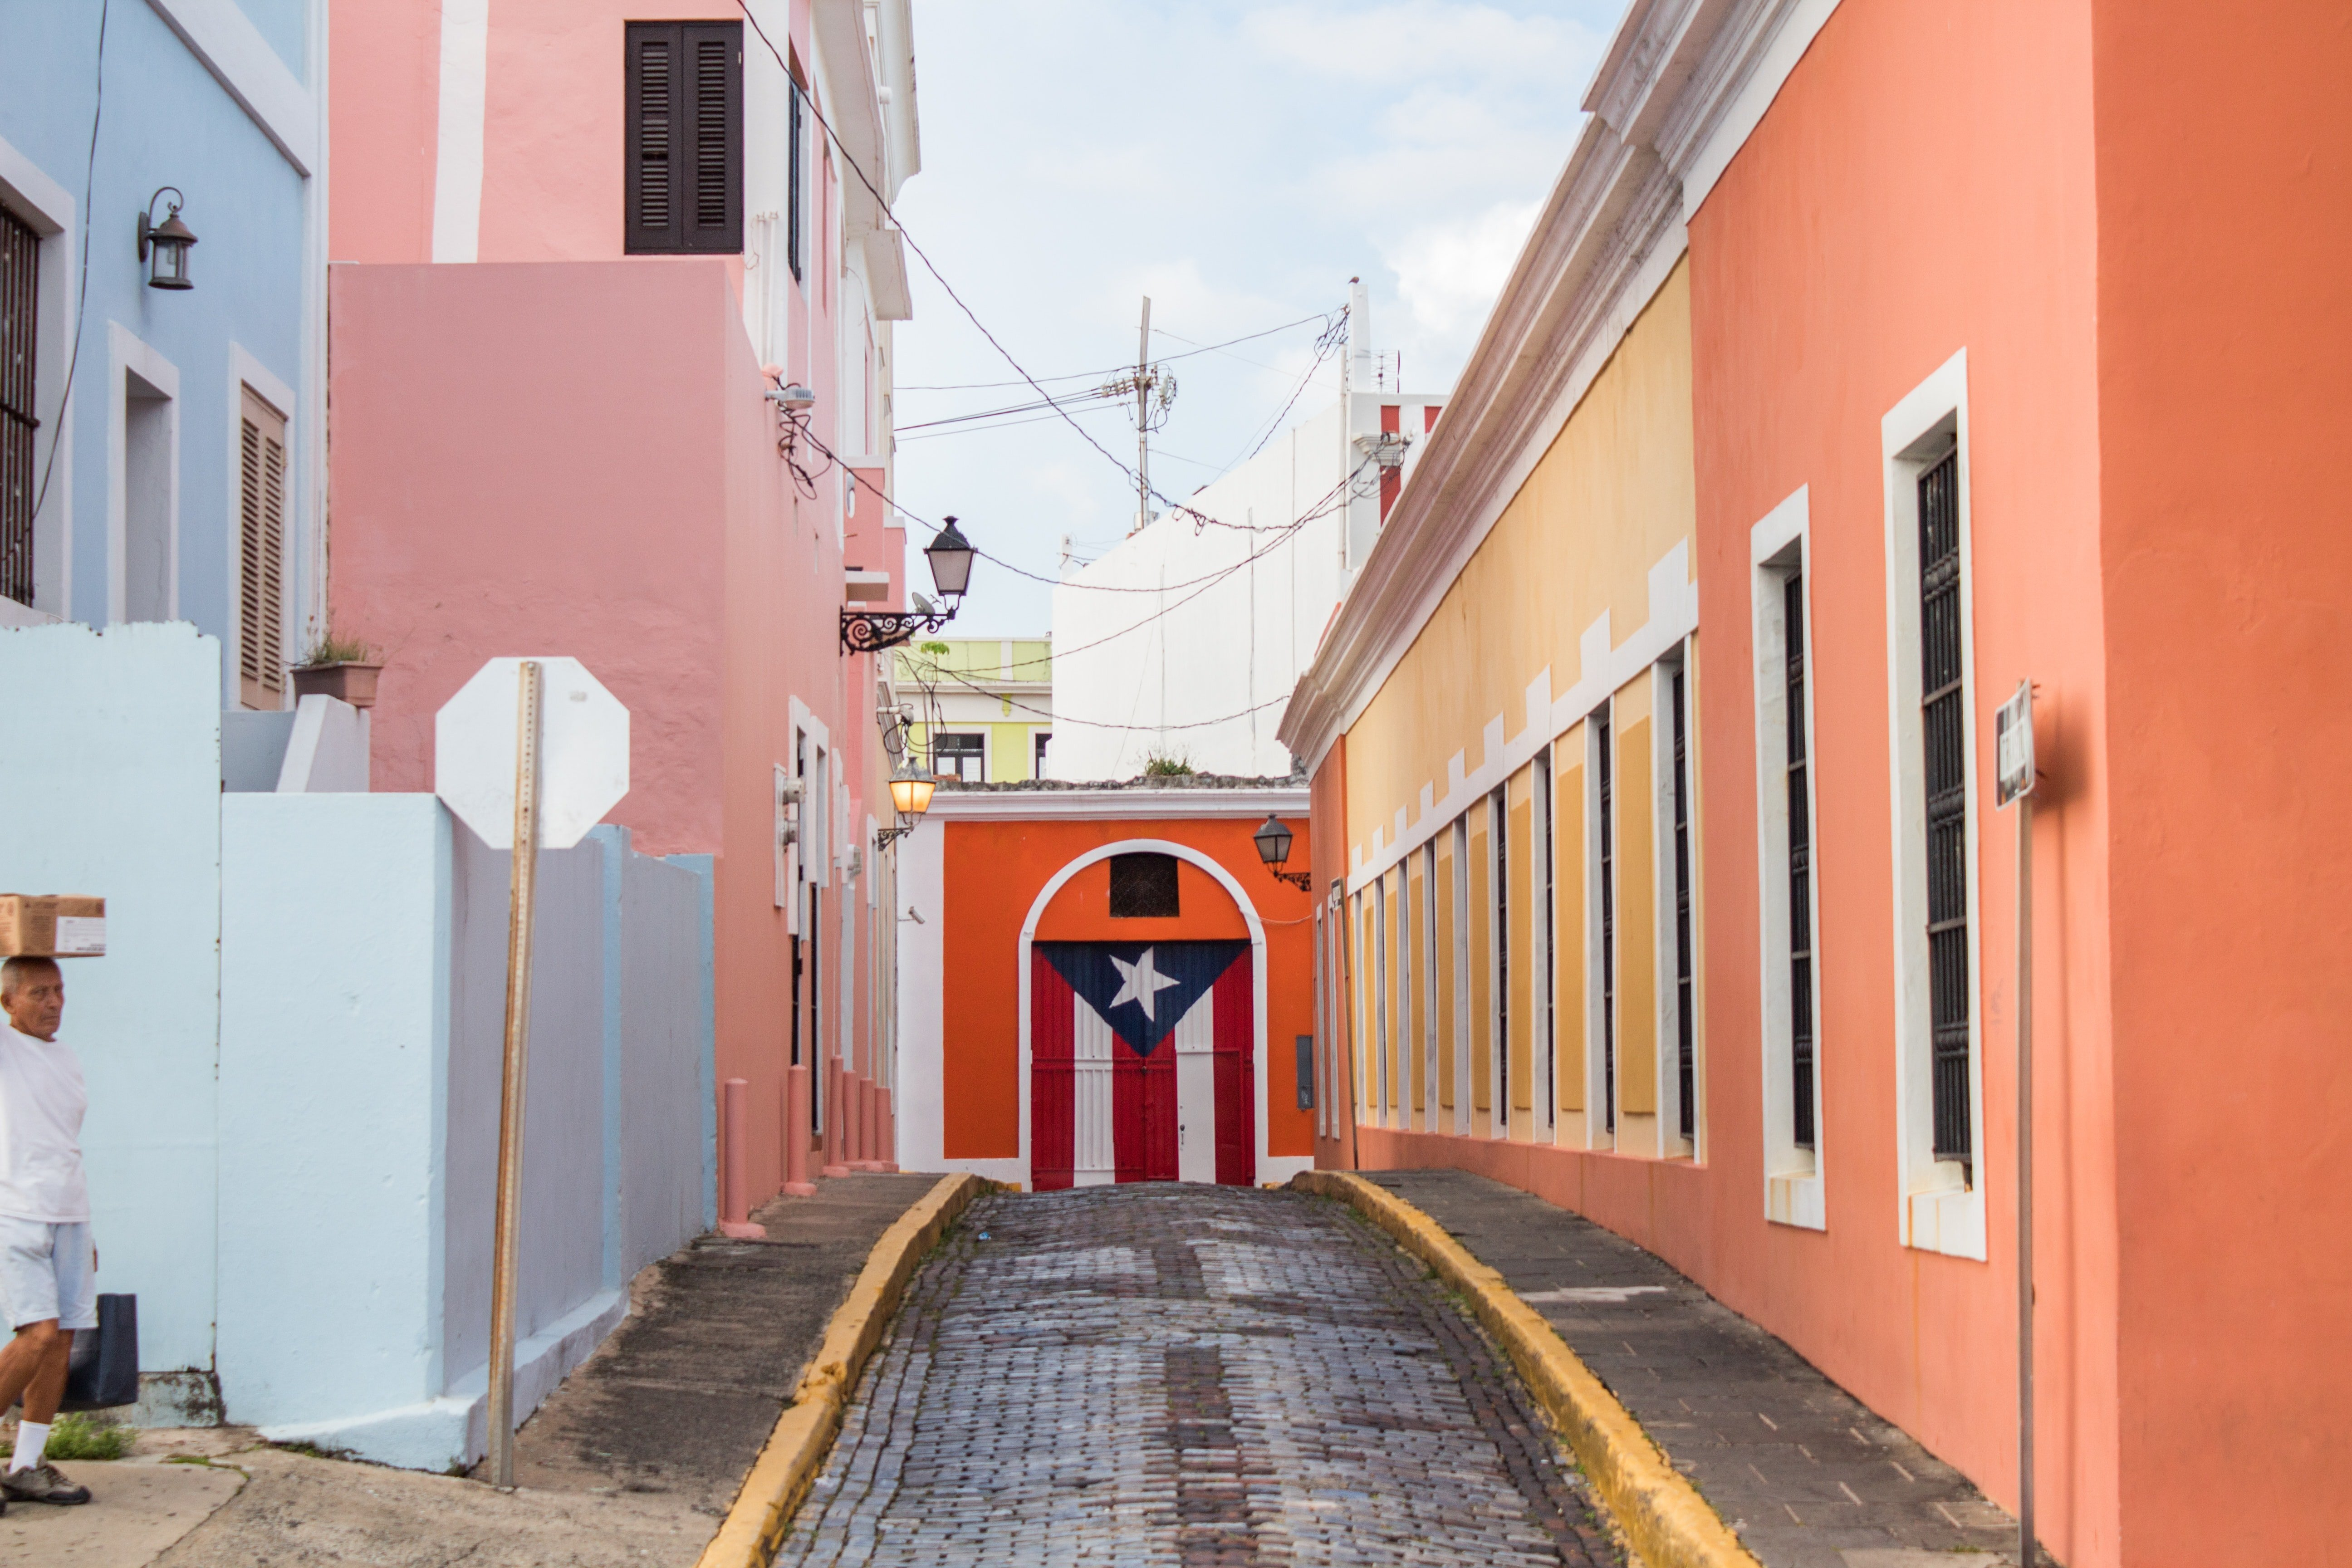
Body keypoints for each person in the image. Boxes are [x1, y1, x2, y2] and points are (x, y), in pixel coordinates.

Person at [0, 956, 95, 1507]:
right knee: (35, 1336)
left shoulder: (69, 1058)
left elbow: (64, 1142)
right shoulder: (6, 1050)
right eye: (38, 992)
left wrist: (86, 1231)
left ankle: (27, 1466)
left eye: (58, 990)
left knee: (61, 1339)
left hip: (70, 1213)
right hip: (17, 1211)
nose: (54, 1002)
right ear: (9, 1001)